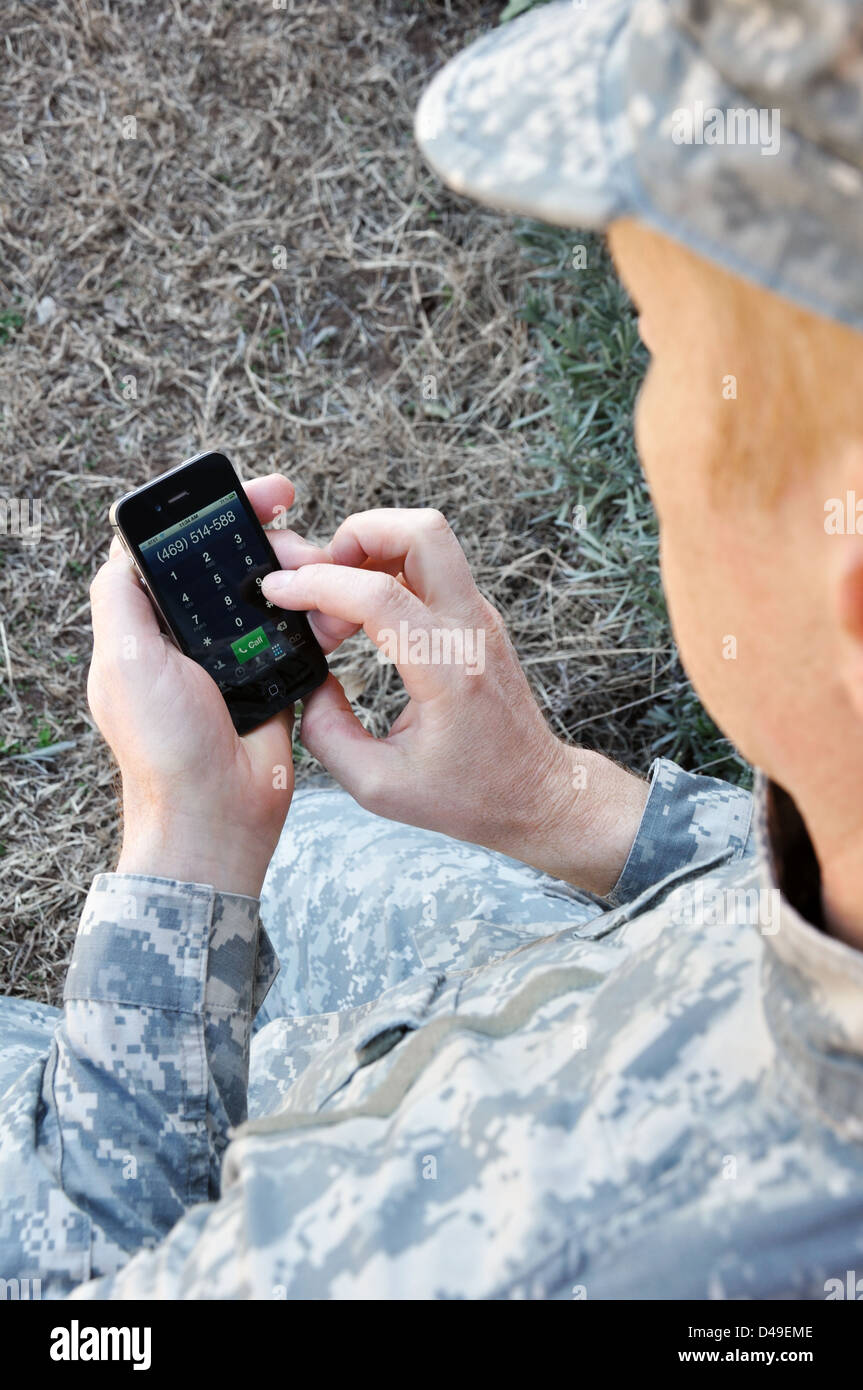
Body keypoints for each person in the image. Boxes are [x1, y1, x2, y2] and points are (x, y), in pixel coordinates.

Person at [2, 0, 863, 1299]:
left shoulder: (526, 1258)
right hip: (504, 992)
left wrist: (181, 852)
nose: (648, 415)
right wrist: (554, 800)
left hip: (244, 1185)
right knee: (321, 845)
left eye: (656, 341)